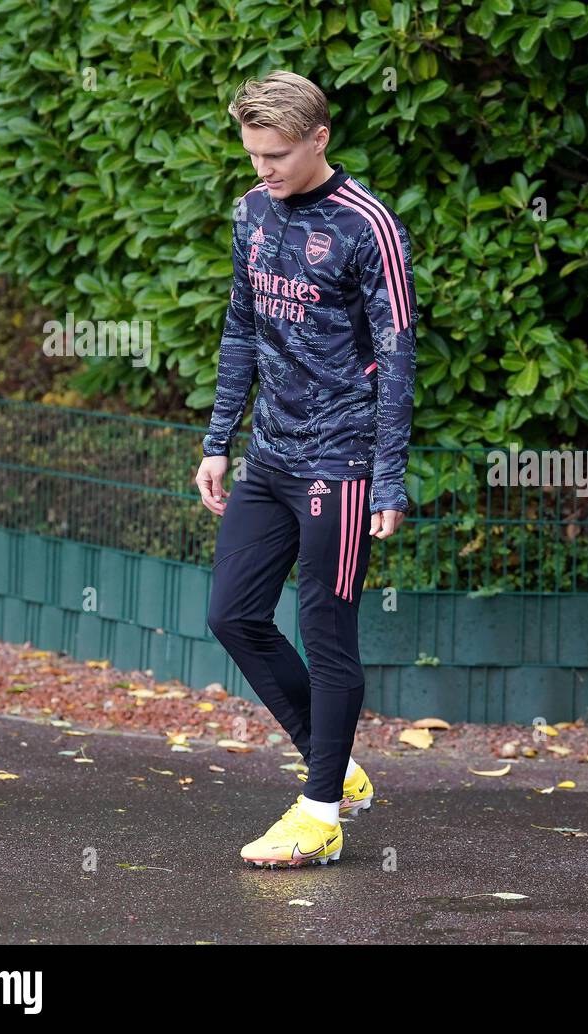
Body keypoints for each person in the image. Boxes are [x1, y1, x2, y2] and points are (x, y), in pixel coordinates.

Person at [195, 71, 417, 868]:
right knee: (232, 614)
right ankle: (338, 765)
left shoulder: (370, 227)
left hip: (343, 461)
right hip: (271, 453)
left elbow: (396, 359)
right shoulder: (250, 213)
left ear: (319, 138)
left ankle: (320, 811)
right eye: (253, 153)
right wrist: (219, 439)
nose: (263, 169)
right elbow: (240, 330)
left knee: (327, 634)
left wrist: (388, 476)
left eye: (277, 155)